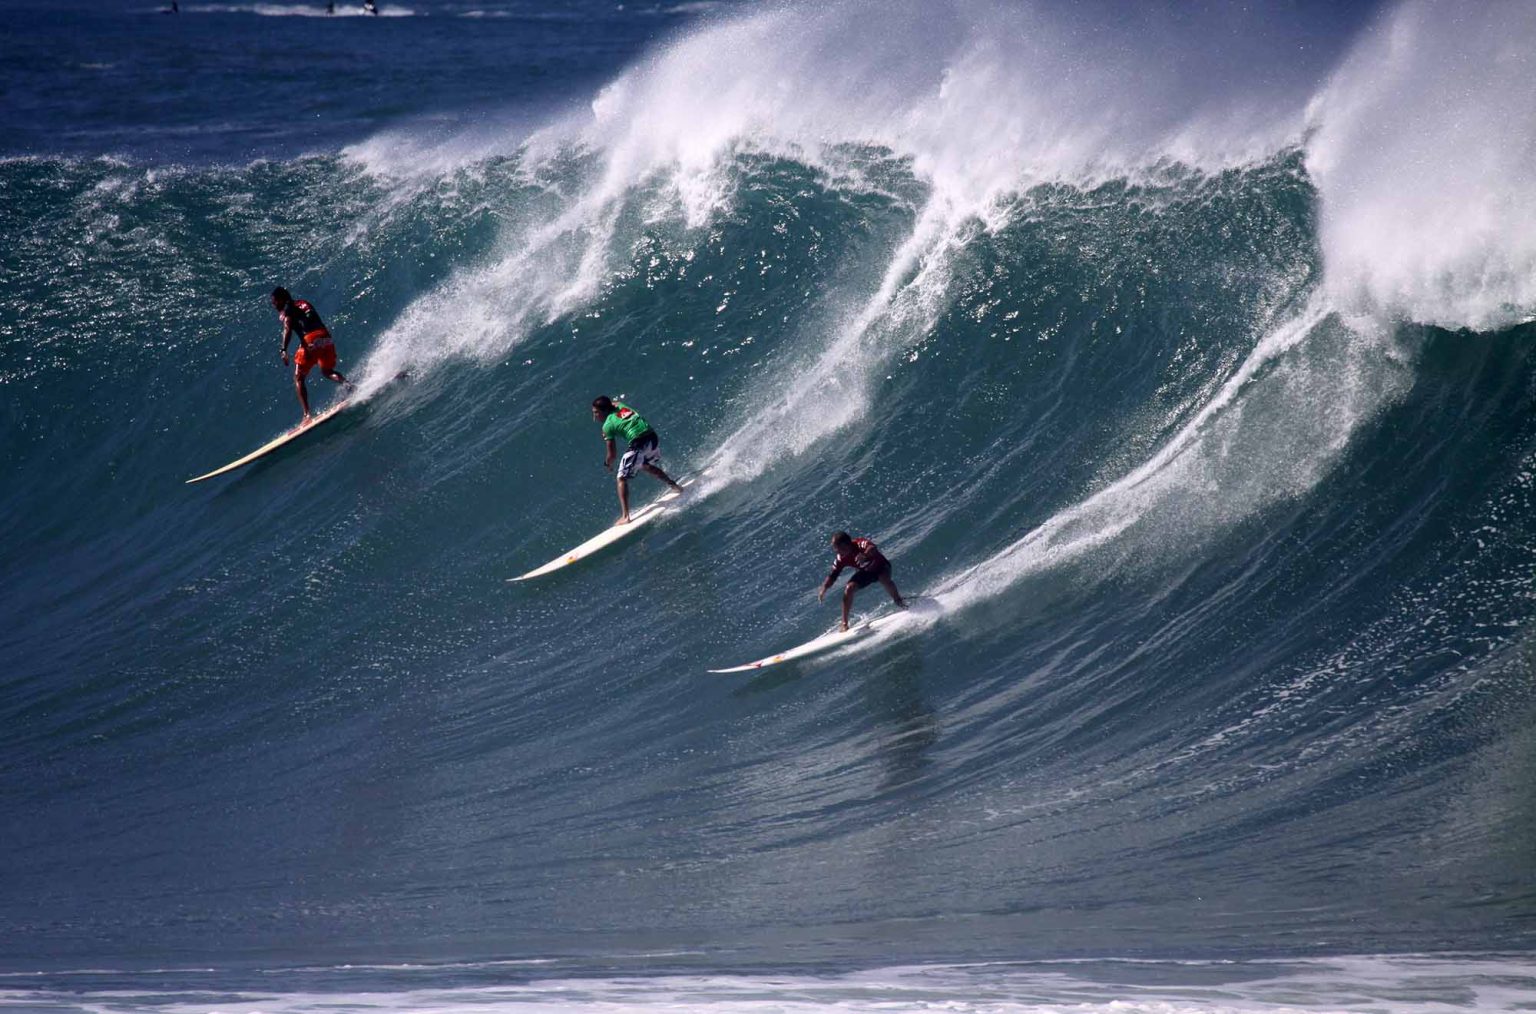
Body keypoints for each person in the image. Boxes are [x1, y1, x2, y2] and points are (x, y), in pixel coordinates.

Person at [592, 396, 683, 524]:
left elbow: (612, 454)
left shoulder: (607, 426)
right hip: (652, 437)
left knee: (621, 478)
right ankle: (675, 486)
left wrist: (608, 463)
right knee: (644, 465)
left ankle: (625, 516)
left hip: (638, 443)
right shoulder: (620, 406)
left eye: (596, 412)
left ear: (604, 411)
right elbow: (613, 403)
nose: (595, 416)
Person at [272, 287, 348, 425]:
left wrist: (283, 349)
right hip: (326, 337)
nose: (274, 305)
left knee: (298, 378)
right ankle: (348, 385)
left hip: (311, 339)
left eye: (275, 302)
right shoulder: (303, 303)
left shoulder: (288, 308)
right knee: (327, 371)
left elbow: (288, 328)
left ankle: (307, 416)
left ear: (282, 299)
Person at [818, 531, 906, 631]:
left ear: (846, 545)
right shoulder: (840, 558)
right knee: (849, 589)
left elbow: (872, 548)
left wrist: (864, 555)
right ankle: (844, 623)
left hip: (882, 567)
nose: (836, 551)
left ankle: (899, 601)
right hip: (866, 572)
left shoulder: (859, 543)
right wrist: (824, 588)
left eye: (837, 548)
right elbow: (833, 575)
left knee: (883, 578)